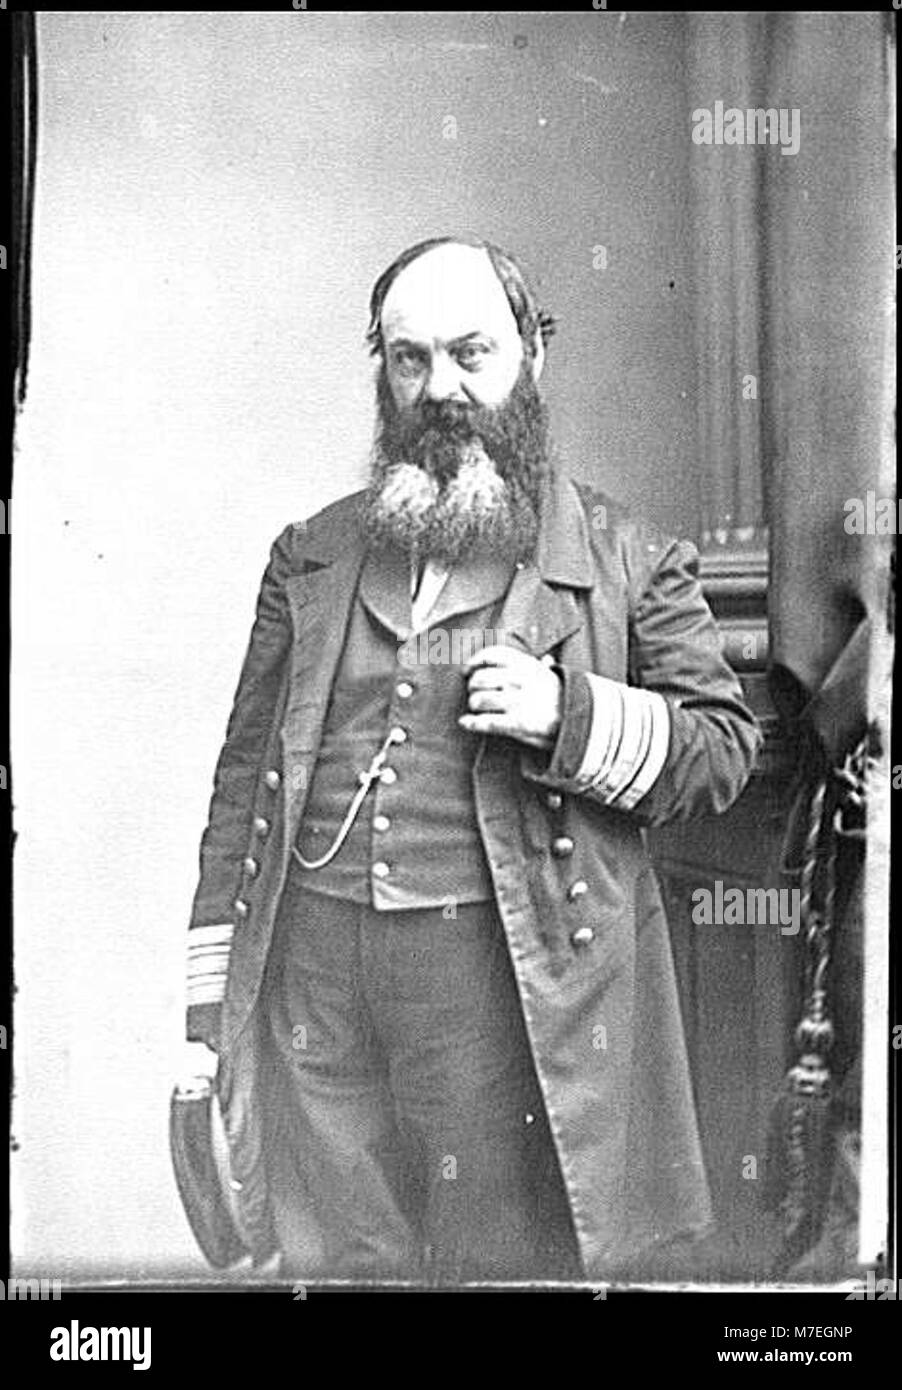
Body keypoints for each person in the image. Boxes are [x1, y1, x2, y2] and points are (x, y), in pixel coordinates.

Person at [181, 234, 762, 1283]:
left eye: (469, 353)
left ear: (532, 356)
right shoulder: (310, 553)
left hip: (494, 979)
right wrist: (202, 1019)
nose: (438, 388)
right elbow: (241, 792)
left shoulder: (626, 557)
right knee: (342, 1259)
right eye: (409, 360)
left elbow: (722, 748)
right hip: (311, 981)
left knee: (485, 1266)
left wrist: (566, 716)